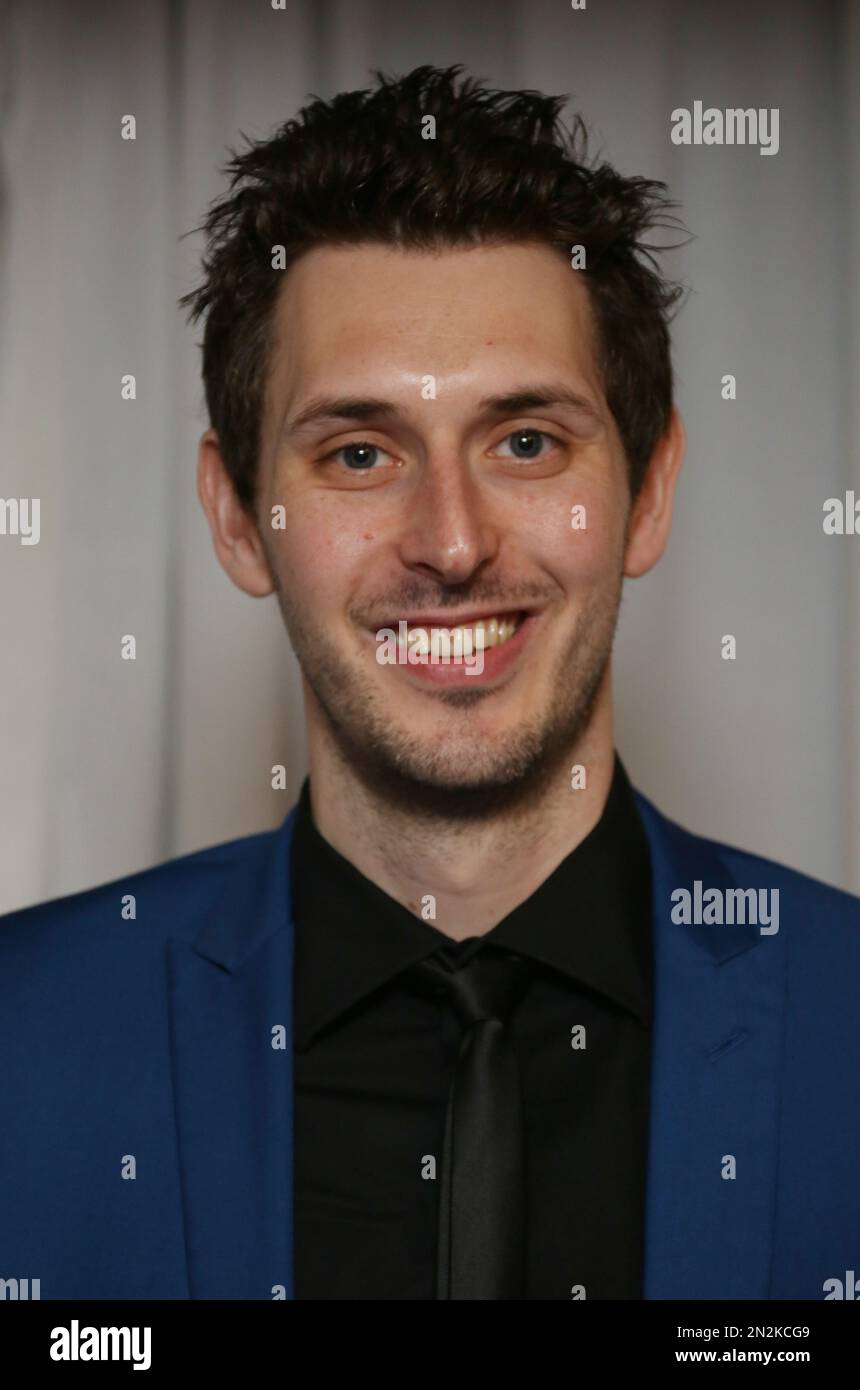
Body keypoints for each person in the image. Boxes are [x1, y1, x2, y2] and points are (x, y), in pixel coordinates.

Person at [1, 65, 858, 1302]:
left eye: (524, 442)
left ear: (649, 491)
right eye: (358, 452)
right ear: (239, 518)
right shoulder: (23, 1045)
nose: (451, 543)